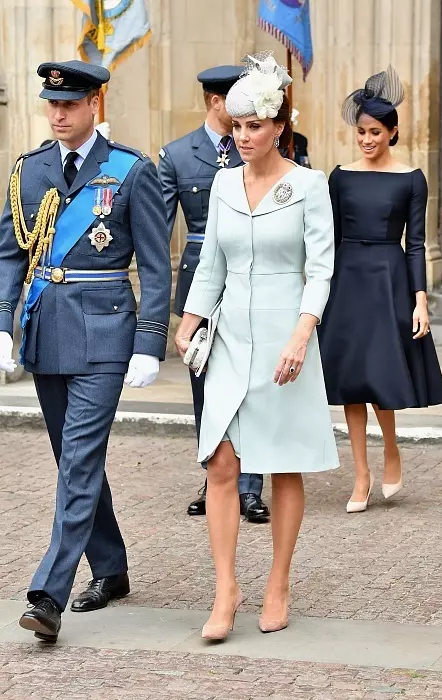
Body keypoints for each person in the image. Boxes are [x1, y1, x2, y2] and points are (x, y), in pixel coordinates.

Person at [0, 60, 171, 641]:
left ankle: (50, 593)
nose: (58, 114)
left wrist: (150, 341)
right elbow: (9, 254)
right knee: (73, 459)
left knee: (78, 458)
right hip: (48, 328)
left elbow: (153, 262)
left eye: (69, 104)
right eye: (52, 104)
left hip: (105, 331)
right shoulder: (30, 169)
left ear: (94, 103)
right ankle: (113, 565)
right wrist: (3, 325)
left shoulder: (128, 169)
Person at [175, 53, 339, 640]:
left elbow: (321, 269)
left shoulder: (308, 185)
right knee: (221, 461)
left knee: (281, 463)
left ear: (278, 127)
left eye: (254, 126)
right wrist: (189, 321)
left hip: (283, 336)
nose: (243, 136)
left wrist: (302, 334)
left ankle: (277, 582)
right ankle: (225, 589)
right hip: (228, 338)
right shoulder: (222, 182)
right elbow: (210, 265)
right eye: (237, 126)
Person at [318, 66, 442, 513]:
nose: (367, 139)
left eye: (375, 132)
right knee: (352, 381)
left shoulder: (412, 178)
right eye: (361, 132)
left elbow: (415, 244)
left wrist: (420, 300)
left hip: (389, 279)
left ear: (392, 132)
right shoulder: (339, 176)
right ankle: (361, 474)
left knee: (378, 377)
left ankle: (391, 449)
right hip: (346, 282)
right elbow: (327, 238)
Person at [158, 65, 269, 523]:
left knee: (254, 382)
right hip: (201, 276)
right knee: (206, 385)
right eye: (233, 102)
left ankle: (251, 484)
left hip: (253, 275)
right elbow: (157, 231)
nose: (243, 115)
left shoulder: (263, 150)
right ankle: (216, 476)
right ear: (214, 101)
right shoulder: (177, 155)